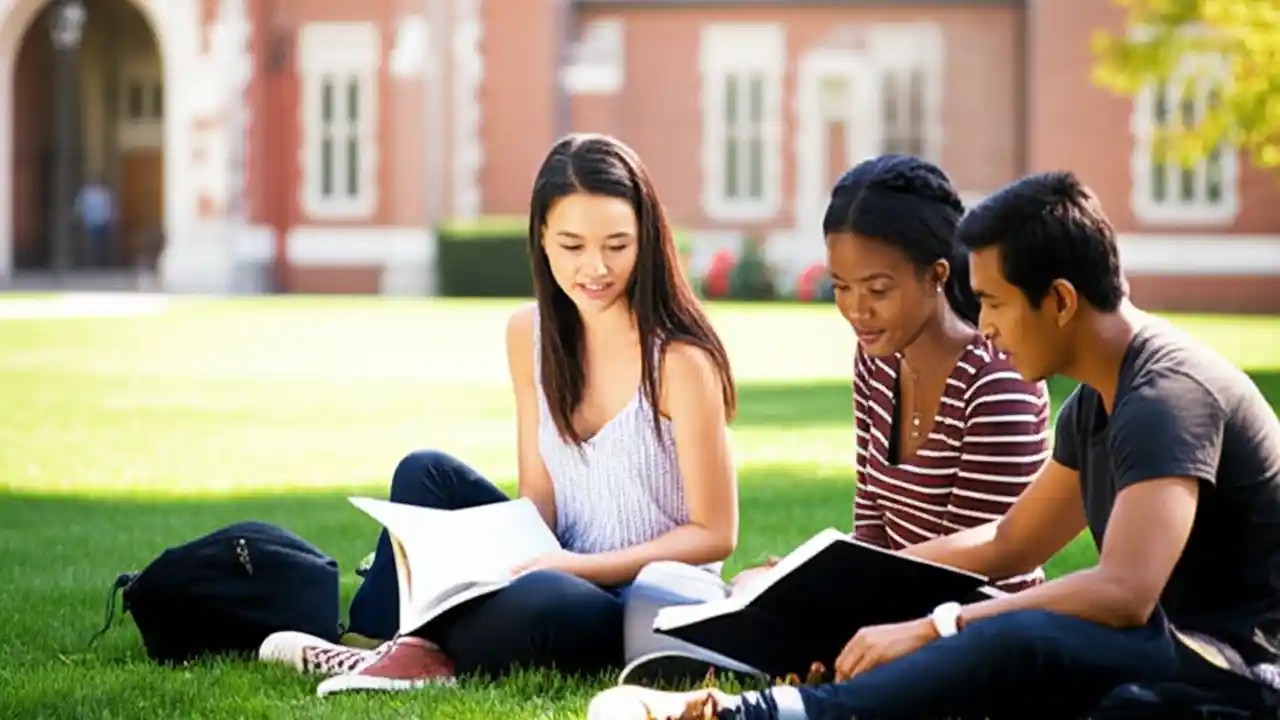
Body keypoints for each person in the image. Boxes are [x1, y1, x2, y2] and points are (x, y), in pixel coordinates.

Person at [586, 170, 1280, 719]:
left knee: (1015, 639)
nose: (987, 326)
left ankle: (751, 715)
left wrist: (940, 625)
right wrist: (824, 587)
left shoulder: (1166, 395)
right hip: (1177, 655)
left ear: (1061, 301)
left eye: (996, 303)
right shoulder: (1101, 399)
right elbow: (1012, 541)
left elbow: (1125, 591)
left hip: (1242, 669)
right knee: (1014, 652)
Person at [259, 133, 741, 695]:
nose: (596, 268)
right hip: (556, 562)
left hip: (632, 595)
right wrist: (487, 554)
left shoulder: (680, 361)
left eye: (617, 245)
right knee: (424, 472)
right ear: (540, 238)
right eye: (572, 245)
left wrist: (579, 569)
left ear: (647, 240)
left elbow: (715, 534)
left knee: (542, 602)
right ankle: (394, 647)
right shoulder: (528, 335)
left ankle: (407, 646)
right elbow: (538, 503)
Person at [616, 154, 1051, 687]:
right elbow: (871, 528)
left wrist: (830, 595)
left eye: (877, 289)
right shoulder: (876, 360)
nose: (855, 310)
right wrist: (804, 583)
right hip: (884, 605)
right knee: (668, 589)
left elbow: (978, 567)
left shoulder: (995, 381)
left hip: (964, 624)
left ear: (936, 274)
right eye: (841, 287)